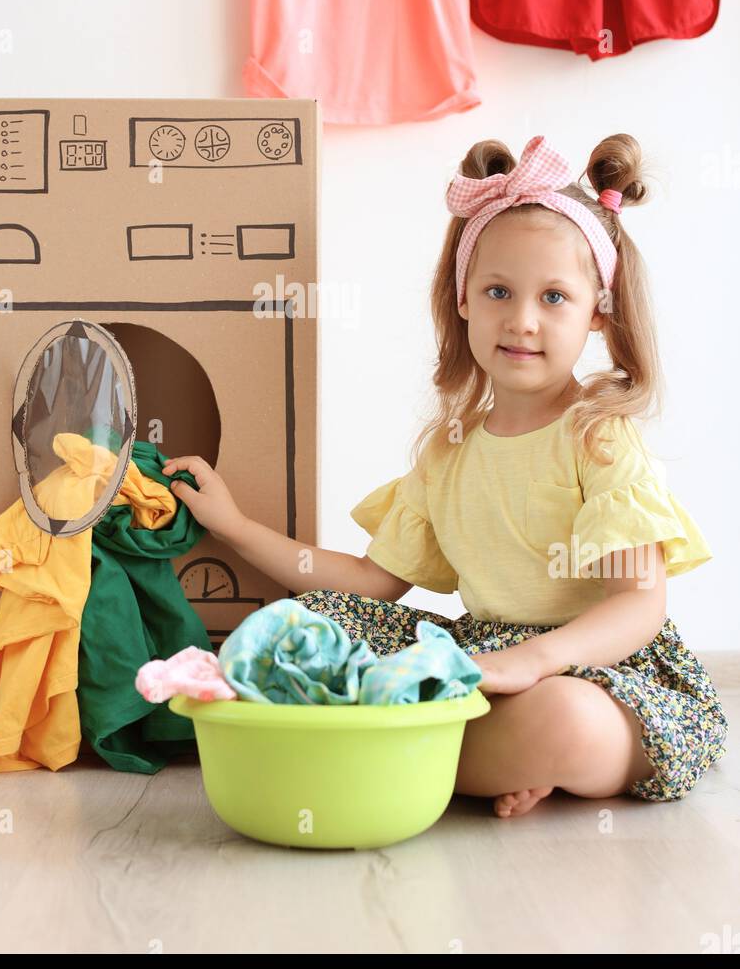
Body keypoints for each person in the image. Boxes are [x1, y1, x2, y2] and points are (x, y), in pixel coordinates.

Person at [160, 133, 728, 818]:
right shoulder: (450, 449)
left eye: (554, 297)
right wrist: (236, 528)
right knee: (306, 621)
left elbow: (639, 604)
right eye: (499, 291)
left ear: (598, 313)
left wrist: (535, 662)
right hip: (481, 661)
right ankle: (470, 758)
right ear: (463, 299)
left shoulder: (597, 435)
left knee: (566, 720)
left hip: (597, 671)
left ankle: (420, 752)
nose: (521, 320)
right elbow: (376, 583)